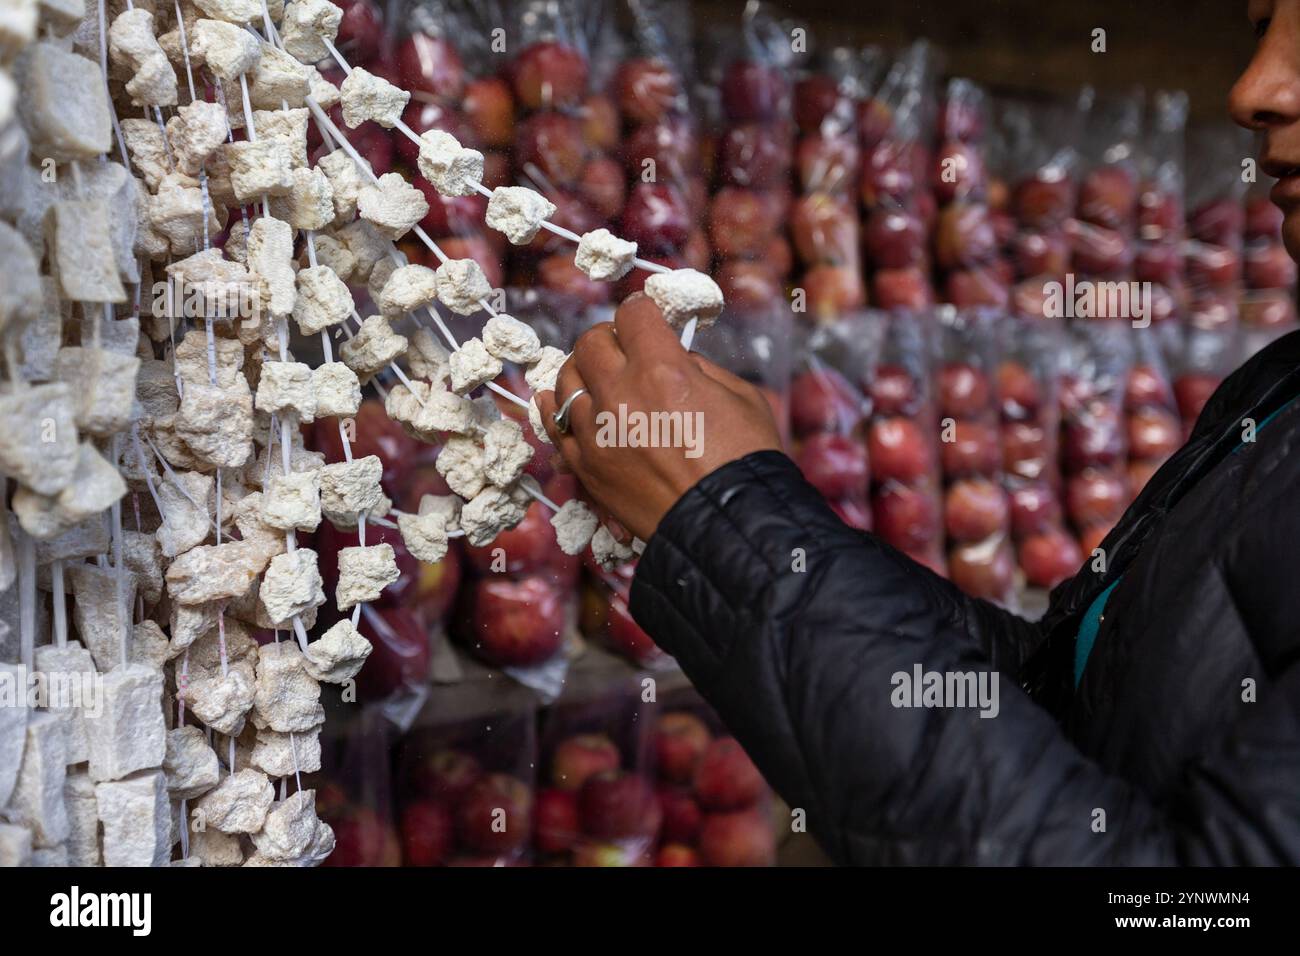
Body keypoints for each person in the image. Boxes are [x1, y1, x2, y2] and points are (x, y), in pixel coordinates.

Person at [535, 0, 1300, 865]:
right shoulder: (1278, 389)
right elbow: (1063, 714)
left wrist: (731, 521)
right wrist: (752, 525)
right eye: (1256, 30)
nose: (1253, 90)